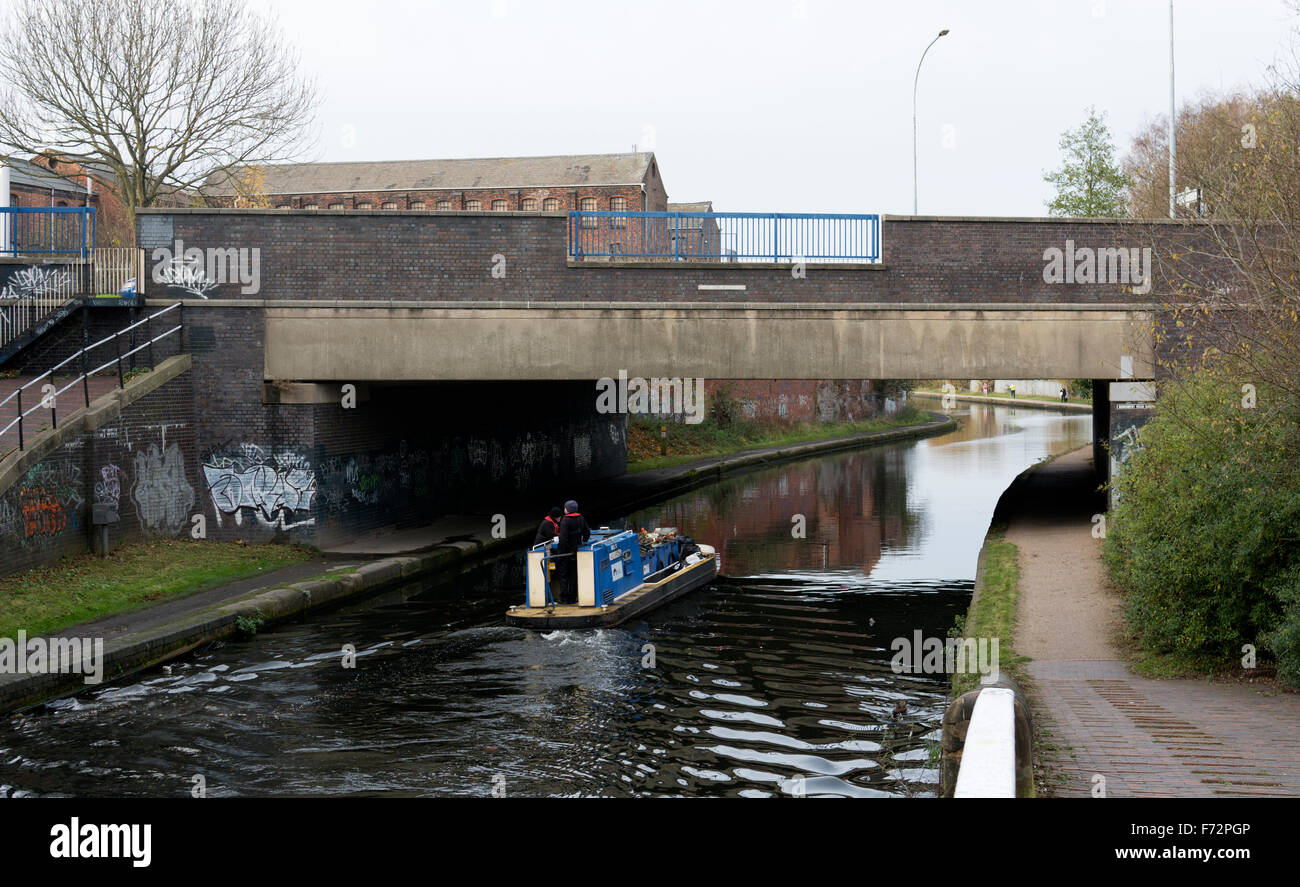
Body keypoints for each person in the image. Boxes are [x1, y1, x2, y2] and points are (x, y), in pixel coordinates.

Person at [554, 499, 591, 605]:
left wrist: (560, 554)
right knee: (574, 574)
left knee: (563, 574)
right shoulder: (581, 518)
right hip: (576, 551)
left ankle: (564, 597)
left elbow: (563, 539)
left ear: (567, 510)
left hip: (566, 552)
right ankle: (573, 597)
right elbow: (587, 532)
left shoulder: (565, 521)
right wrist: (584, 541)